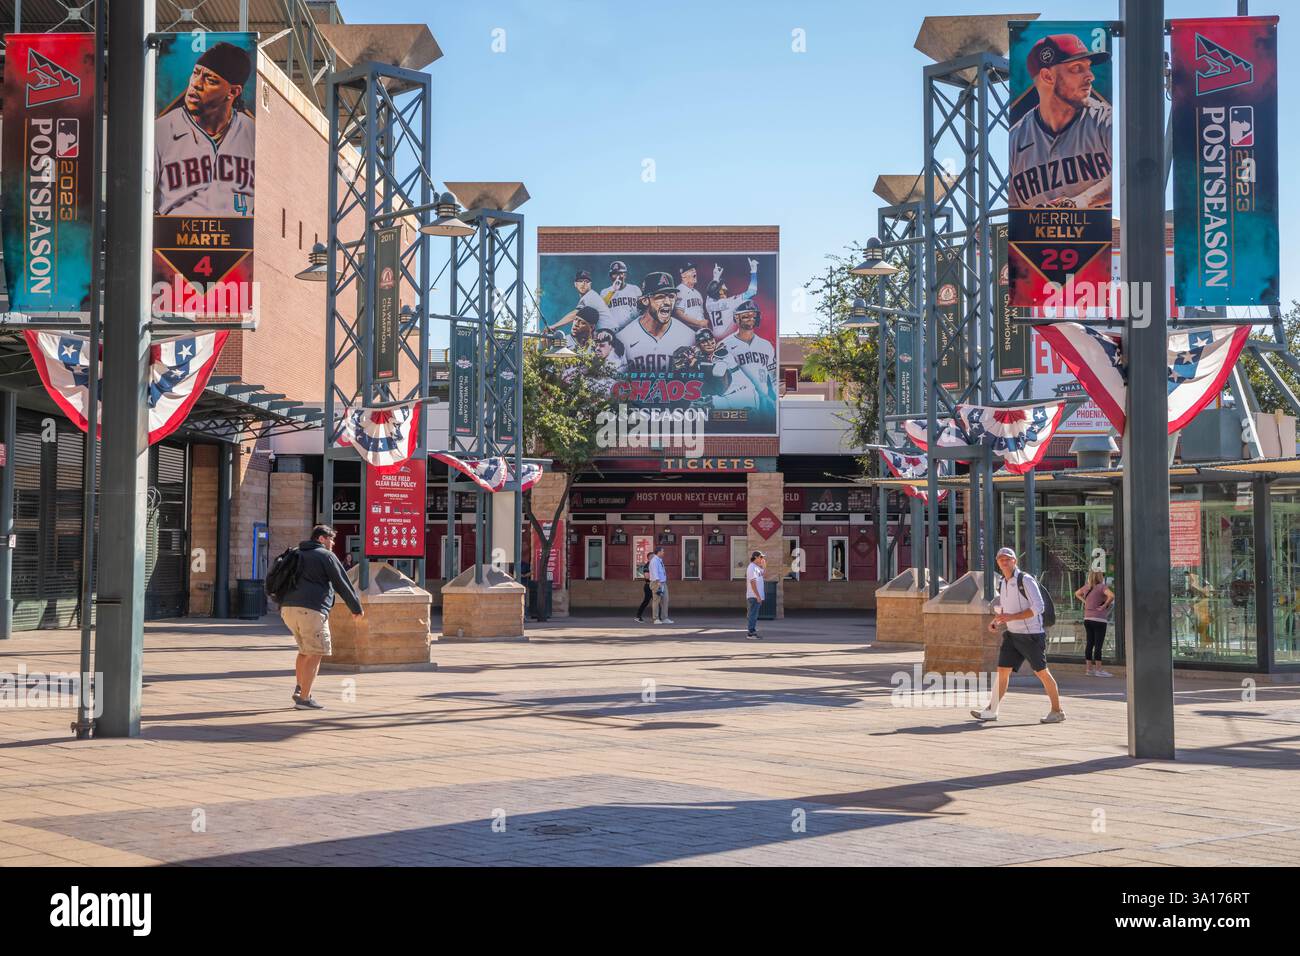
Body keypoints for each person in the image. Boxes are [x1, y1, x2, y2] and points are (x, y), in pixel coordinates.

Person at [1008, 33, 1112, 211]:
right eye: (1077, 68)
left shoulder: (1105, 120)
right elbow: (1014, 210)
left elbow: (1129, 176)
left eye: (1088, 67)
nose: (1090, 76)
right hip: (1042, 238)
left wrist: (1082, 200)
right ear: (1048, 77)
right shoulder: (1015, 138)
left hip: (1102, 236)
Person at [155, 41, 256, 216]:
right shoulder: (162, 129)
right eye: (195, 73)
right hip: (173, 239)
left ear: (233, 92)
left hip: (237, 239)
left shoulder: (252, 133)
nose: (196, 84)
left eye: (210, 79)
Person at [971, 547, 1065, 724]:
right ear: (998, 563)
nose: (1004, 562)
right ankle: (992, 710)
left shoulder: (1026, 580)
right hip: (1013, 635)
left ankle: (1057, 711)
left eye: (1008, 559)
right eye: (1001, 559)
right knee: (1002, 672)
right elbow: (1007, 609)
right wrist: (997, 621)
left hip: (1031, 636)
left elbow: (1039, 607)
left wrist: (1011, 617)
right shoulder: (1003, 582)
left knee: (1042, 673)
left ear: (1015, 561)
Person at [278, 525, 363, 710]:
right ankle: (305, 699)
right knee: (316, 652)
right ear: (321, 539)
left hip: (288, 609)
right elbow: (342, 583)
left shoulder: (296, 552)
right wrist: (355, 608)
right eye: (330, 539)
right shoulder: (325, 556)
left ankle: (300, 688)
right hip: (311, 610)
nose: (333, 543)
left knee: (304, 651)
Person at [1074, 570, 1115, 677]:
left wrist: (1085, 601)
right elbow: (1112, 596)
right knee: (1098, 645)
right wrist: (1104, 605)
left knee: (1089, 643)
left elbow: (1077, 593)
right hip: (1099, 619)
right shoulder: (1102, 587)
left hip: (1087, 618)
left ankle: (1089, 669)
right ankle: (1099, 670)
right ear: (1100, 577)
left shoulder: (1086, 587)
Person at [648, 544, 672, 624]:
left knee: (665, 600)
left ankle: (664, 618)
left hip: (663, 582)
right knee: (656, 600)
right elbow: (655, 572)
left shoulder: (659, 560)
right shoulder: (654, 561)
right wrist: (658, 582)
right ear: (658, 552)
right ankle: (656, 618)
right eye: (662, 551)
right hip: (657, 582)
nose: (664, 552)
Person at [745, 550, 766, 640]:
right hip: (753, 596)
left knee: (754, 614)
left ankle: (752, 632)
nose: (762, 559)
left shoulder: (756, 567)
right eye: (761, 557)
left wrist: (764, 566)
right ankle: (751, 633)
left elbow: (763, 574)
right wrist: (757, 596)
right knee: (753, 615)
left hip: (756, 596)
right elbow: (753, 583)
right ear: (756, 557)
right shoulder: (751, 568)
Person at [634, 559, 654, 624]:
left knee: (657, 602)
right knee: (646, 601)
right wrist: (656, 577)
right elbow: (647, 577)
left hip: (653, 585)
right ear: (650, 558)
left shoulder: (652, 565)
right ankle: (638, 616)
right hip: (649, 586)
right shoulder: (647, 566)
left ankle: (659, 617)